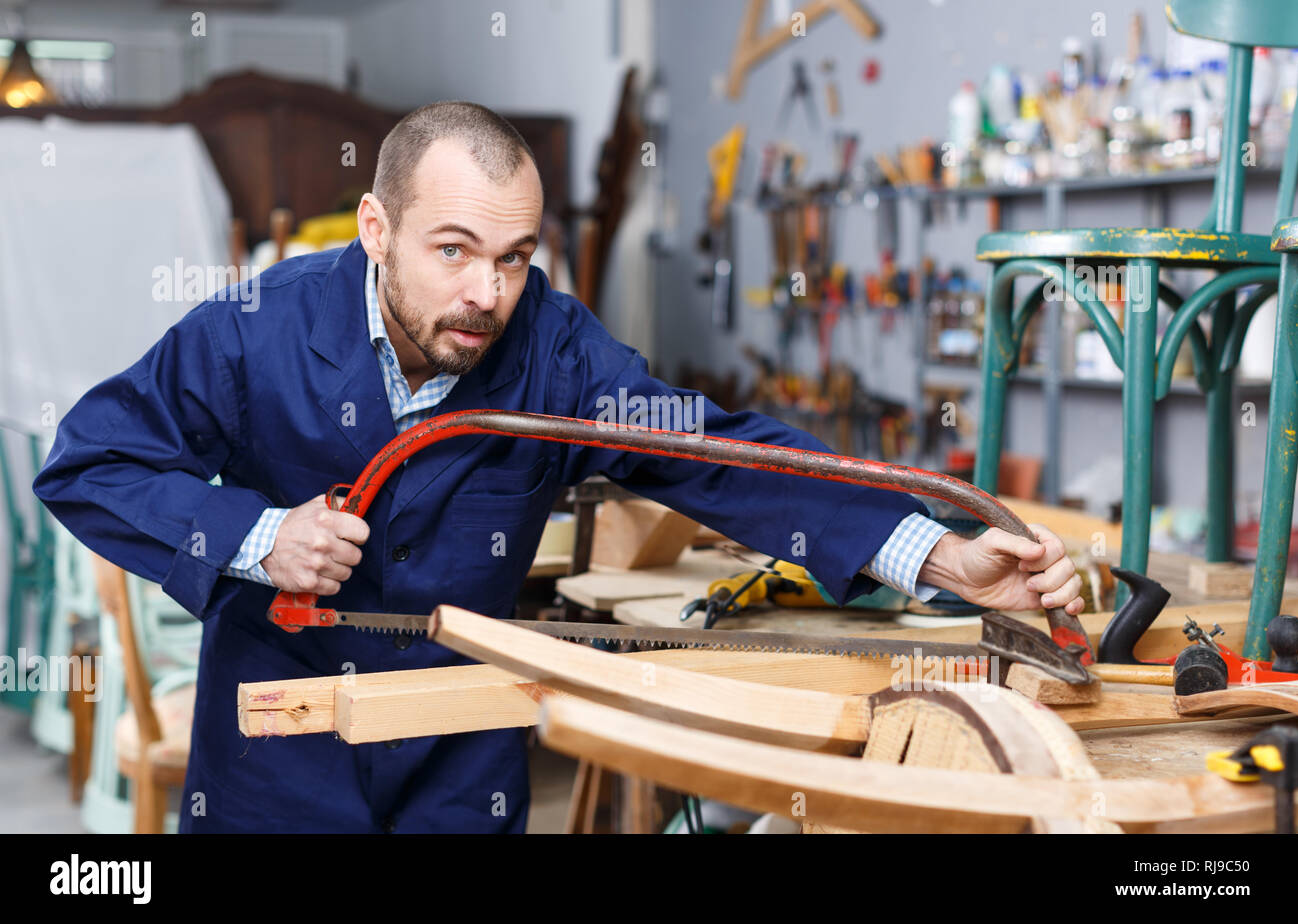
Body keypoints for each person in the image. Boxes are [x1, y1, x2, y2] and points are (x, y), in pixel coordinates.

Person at [33, 101, 1084, 833]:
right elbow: (90, 461)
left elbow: (717, 459)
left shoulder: (557, 349)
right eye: (452, 250)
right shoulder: (253, 332)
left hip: (461, 764)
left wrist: (941, 557)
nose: (488, 292)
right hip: (276, 759)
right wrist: (260, 540)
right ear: (375, 230)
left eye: (514, 255)